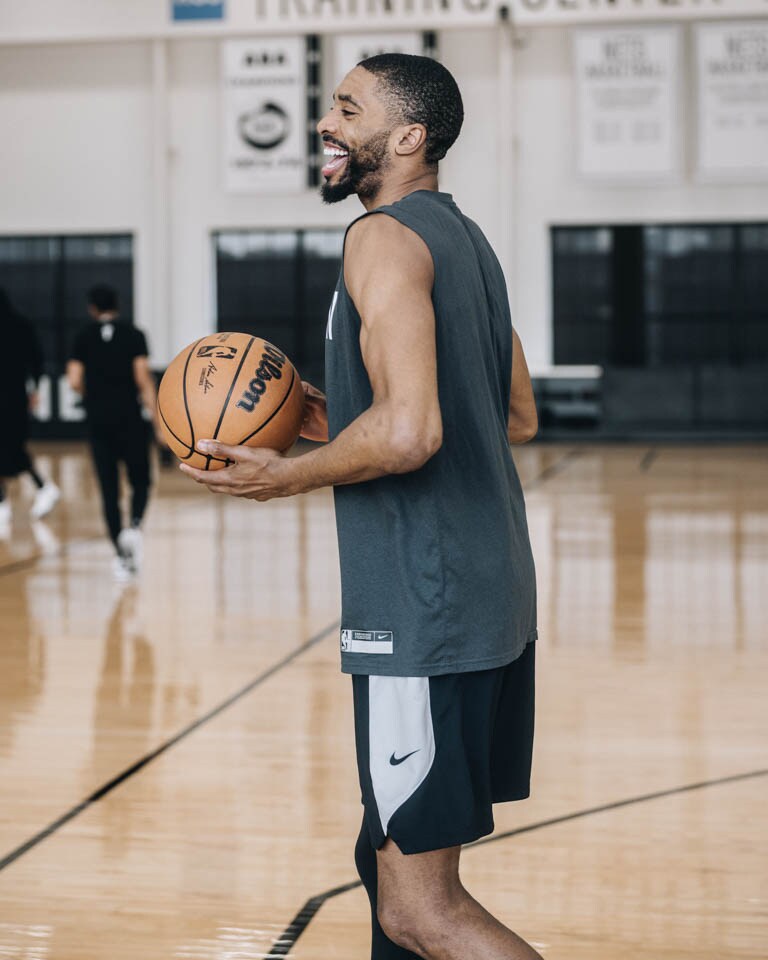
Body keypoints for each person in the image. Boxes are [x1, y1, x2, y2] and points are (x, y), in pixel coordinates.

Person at [181, 54, 542, 960]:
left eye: (347, 108)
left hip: (421, 612)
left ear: (409, 138)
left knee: (421, 910)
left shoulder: (379, 238)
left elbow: (415, 433)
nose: (323, 124)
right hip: (485, 599)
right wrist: (322, 417)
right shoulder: (464, 239)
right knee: (385, 869)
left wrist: (278, 477)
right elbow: (511, 417)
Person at [67, 285, 162, 581]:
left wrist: (94, 396)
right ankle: (134, 526)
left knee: (109, 490)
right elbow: (143, 378)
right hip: (130, 419)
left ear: (92, 308)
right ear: (117, 305)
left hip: (98, 422)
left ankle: (121, 556)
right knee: (141, 481)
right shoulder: (134, 334)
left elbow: (73, 380)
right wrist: (159, 424)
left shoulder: (82, 337)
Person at [0, 288, 60, 534]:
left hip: (9, 397)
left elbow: (35, 361)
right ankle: (7, 503)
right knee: (11, 448)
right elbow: (37, 361)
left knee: (11, 450)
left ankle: (40, 489)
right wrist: (34, 390)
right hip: (16, 397)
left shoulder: (16, 326)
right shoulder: (22, 325)